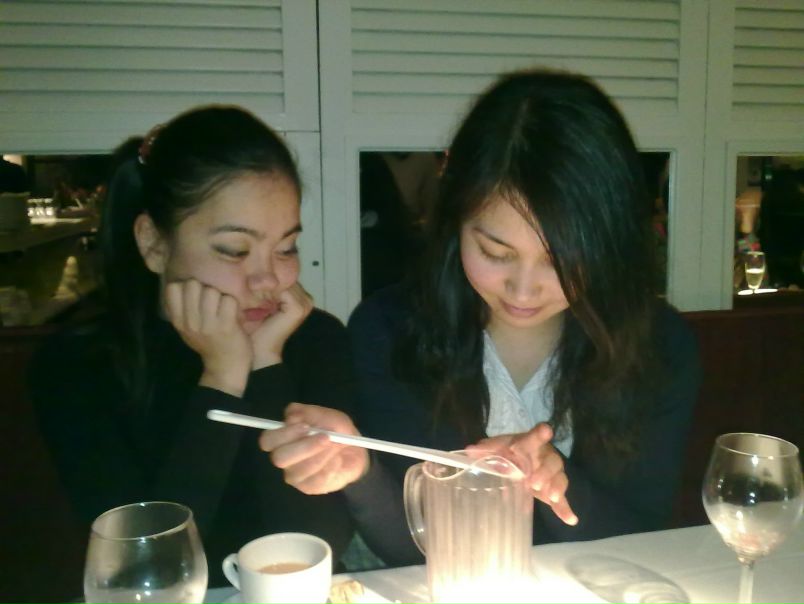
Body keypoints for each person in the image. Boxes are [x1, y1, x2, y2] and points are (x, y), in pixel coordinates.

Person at [260, 69, 701, 566]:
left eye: (561, 262)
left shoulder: (659, 345)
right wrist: (361, 474)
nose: (523, 290)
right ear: (456, 222)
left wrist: (560, 483)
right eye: (495, 252)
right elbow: (409, 551)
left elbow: (642, 537)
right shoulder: (390, 329)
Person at [30, 106, 355, 587]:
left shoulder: (315, 339)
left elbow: (319, 542)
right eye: (234, 250)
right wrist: (222, 377)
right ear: (154, 244)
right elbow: (146, 569)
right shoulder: (78, 364)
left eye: (285, 248)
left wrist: (266, 365)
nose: (268, 280)